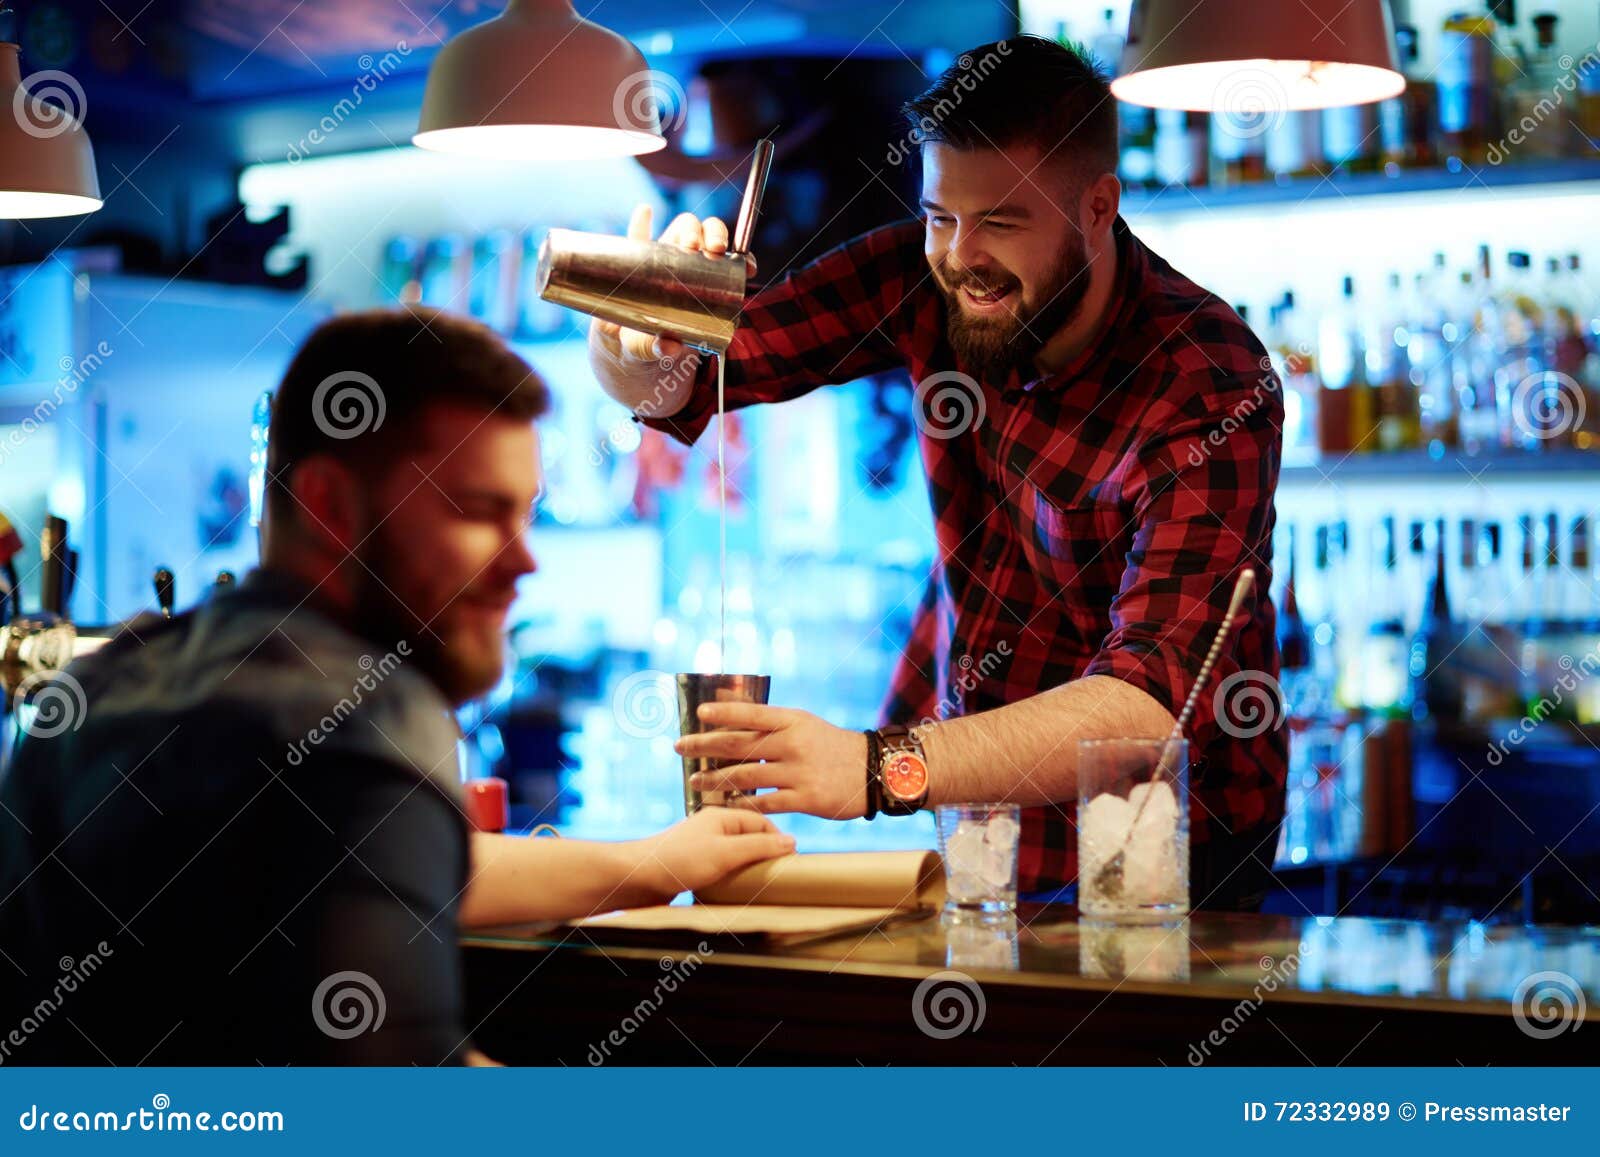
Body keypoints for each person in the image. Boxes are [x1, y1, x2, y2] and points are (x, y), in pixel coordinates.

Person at [589, 37, 1286, 911]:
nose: (960, 255)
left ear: (1099, 207)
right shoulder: (932, 279)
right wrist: (631, 330)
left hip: (1173, 841)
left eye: (1001, 221)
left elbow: (1149, 705)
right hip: (984, 813)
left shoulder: (1206, 375)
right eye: (939, 216)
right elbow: (687, 382)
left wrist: (879, 766)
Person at [0, 308, 794, 1065]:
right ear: (331, 504)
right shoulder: (365, 715)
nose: (525, 562)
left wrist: (655, 862)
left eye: (528, 515)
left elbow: (387, 864)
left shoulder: (91, 691)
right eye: (481, 512)